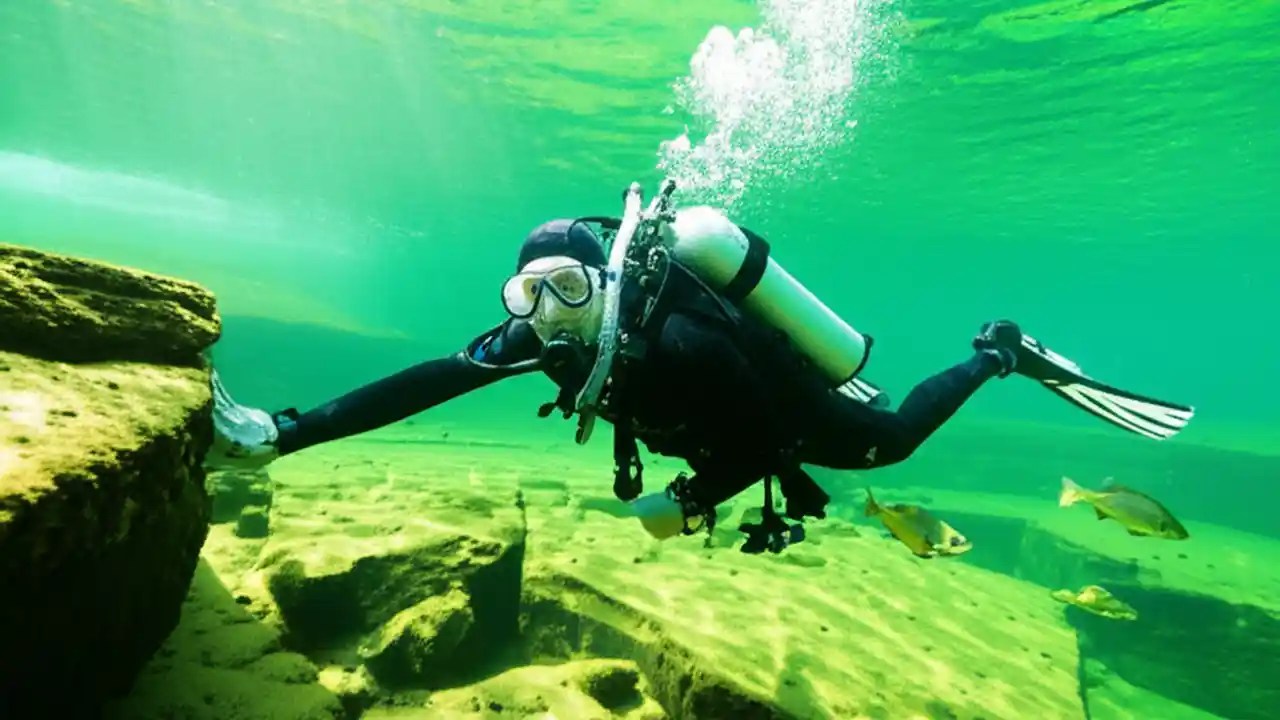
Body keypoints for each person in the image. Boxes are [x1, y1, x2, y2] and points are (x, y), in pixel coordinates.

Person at [207, 190, 1194, 553]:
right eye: (523, 297)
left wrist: (689, 497)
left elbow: (761, 440)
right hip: (711, 419)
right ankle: (995, 353)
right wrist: (284, 431)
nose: (541, 318)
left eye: (559, 289)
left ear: (598, 280)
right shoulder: (544, 337)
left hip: (779, 406)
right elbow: (427, 380)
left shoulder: (676, 338)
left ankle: (998, 352)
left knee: (883, 444)